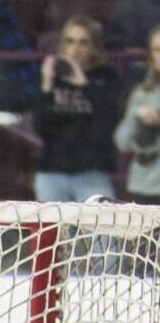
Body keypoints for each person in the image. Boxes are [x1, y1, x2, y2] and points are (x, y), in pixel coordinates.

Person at [32, 17, 120, 203]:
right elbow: (39, 125)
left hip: (92, 172)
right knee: (52, 231)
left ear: (95, 46)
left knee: (104, 230)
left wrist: (84, 84)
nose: (75, 49)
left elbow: (108, 121)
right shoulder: (54, 78)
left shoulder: (107, 76)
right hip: (52, 172)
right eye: (70, 41)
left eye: (83, 42)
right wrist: (46, 85)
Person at [114, 24, 160, 203]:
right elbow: (122, 142)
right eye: (157, 50)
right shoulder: (142, 93)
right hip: (141, 184)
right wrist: (137, 117)